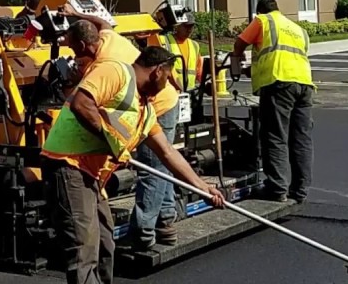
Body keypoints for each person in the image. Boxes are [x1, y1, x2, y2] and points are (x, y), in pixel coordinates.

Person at [43, 46, 225, 284]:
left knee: (105, 242)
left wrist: (202, 187)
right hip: (68, 164)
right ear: (158, 71)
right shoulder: (116, 72)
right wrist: (110, 140)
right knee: (83, 245)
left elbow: (168, 153)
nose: (169, 83)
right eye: (169, 77)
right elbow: (81, 103)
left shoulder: (145, 111)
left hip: (94, 175)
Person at [127, 12, 201, 250]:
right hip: (167, 99)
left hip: (161, 104)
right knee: (162, 166)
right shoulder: (147, 45)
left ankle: (143, 232)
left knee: (152, 169)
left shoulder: (115, 59)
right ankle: (166, 220)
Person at [231, 0, 315, 205]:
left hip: (279, 82)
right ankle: (300, 189)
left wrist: (236, 58)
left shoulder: (262, 21)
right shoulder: (296, 28)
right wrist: (251, 70)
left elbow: (240, 43)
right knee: (301, 138)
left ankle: (277, 188)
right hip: (304, 84)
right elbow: (281, 55)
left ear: (259, 11)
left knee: (275, 135)